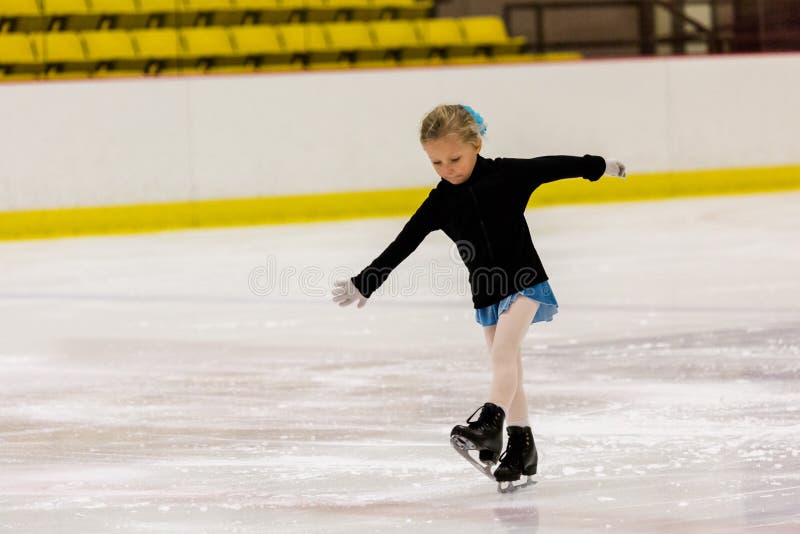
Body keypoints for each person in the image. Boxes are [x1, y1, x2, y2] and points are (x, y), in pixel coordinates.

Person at [331, 104, 626, 488]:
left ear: (476, 145)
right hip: (486, 294)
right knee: (509, 366)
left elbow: (552, 166)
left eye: (454, 158)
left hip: (525, 280)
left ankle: (490, 424)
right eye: (436, 162)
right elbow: (405, 241)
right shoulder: (440, 200)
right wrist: (367, 280)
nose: (447, 168)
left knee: (503, 355)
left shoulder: (506, 175)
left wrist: (600, 166)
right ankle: (522, 447)